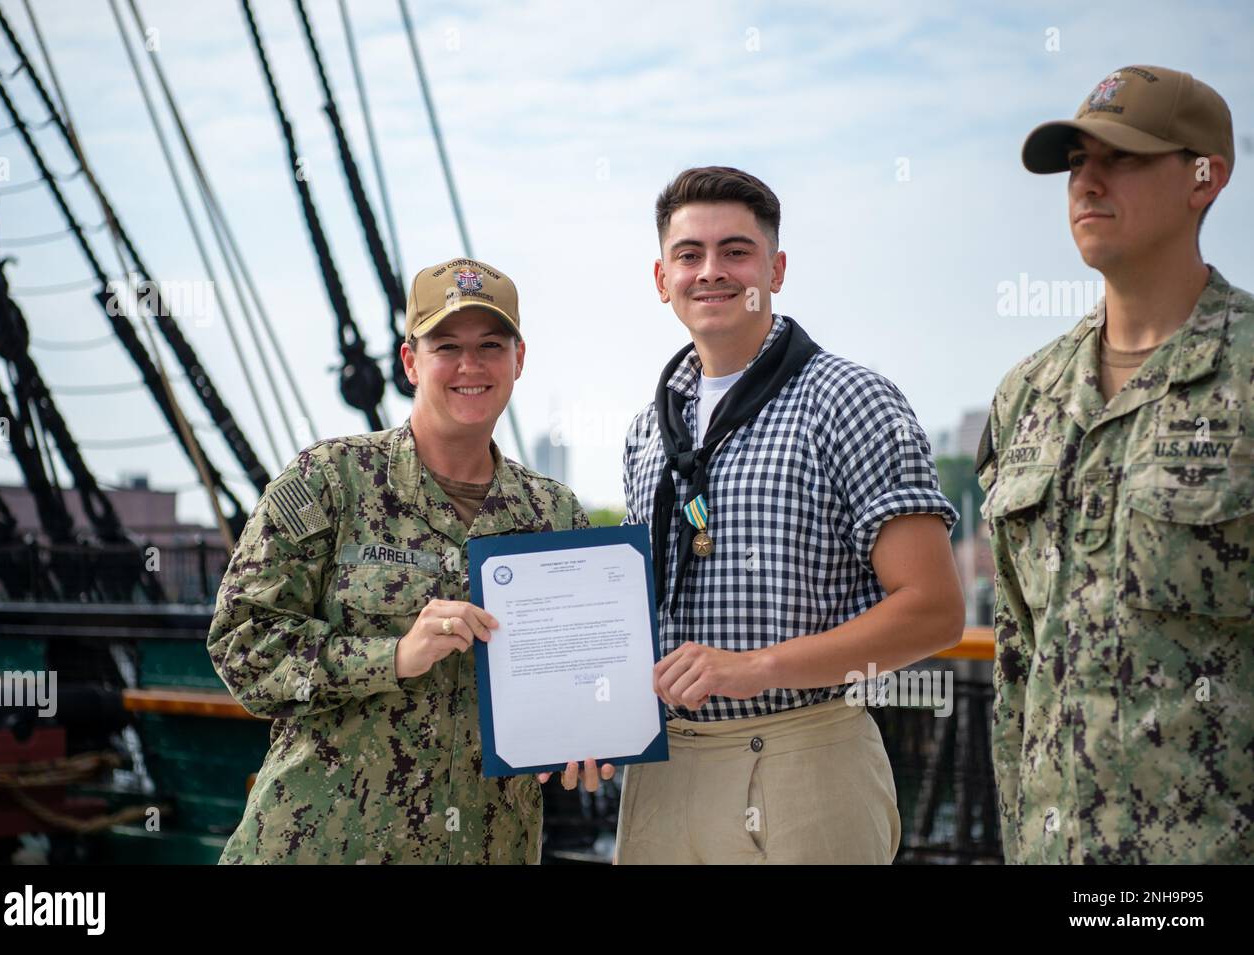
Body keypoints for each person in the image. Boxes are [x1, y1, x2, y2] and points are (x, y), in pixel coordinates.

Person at [208, 257, 607, 864]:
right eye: (446, 345)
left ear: (518, 361)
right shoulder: (331, 481)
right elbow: (242, 645)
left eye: (490, 345)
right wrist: (392, 656)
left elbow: (584, 672)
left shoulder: (554, 515)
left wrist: (589, 730)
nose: (470, 366)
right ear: (410, 361)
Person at [616, 166, 963, 864]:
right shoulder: (646, 432)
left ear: (775, 268)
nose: (711, 270)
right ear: (661, 279)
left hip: (803, 760)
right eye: (689, 255)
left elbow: (935, 611)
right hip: (659, 773)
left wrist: (757, 667)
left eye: (736, 251)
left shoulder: (852, 400)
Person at [979, 65, 1253, 863]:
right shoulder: (1026, 394)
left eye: (1122, 158)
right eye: (1075, 164)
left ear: (1205, 177)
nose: (1087, 182)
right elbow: (1016, 663)